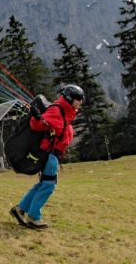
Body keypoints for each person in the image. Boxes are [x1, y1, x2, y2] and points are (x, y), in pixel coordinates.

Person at [10, 84, 84, 229]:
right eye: (78, 98)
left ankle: (20, 209)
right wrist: (37, 117)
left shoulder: (66, 111)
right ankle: (33, 217)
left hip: (53, 153)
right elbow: (37, 125)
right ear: (69, 98)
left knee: (43, 184)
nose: (81, 101)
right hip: (50, 154)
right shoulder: (57, 110)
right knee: (48, 185)